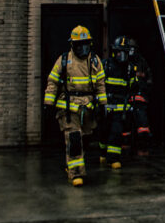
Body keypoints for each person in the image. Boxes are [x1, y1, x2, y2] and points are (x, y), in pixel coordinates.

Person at [43, 25, 107, 186]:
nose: (83, 48)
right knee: (74, 139)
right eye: (80, 44)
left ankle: (71, 164)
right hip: (69, 109)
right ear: (73, 45)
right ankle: (76, 173)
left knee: (84, 140)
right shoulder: (64, 60)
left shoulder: (95, 60)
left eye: (86, 44)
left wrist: (103, 104)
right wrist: (48, 103)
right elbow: (53, 82)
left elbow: (100, 84)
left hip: (88, 108)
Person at [100, 36, 136, 168]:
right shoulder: (106, 65)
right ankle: (103, 153)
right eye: (120, 52)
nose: (122, 55)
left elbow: (133, 87)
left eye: (125, 52)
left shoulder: (129, 69)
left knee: (116, 131)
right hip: (106, 106)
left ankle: (113, 159)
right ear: (114, 51)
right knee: (103, 131)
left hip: (121, 108)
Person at [123, 37, 153, 154]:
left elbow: (149, 79)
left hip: (140, 99)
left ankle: (143, 148)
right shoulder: (123, 62)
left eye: (133, 48)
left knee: (142, 126)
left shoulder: (142, 62)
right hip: (126, 99)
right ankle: (125, 146)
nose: (131, 51)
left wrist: (144, 89)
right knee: (125, 124)